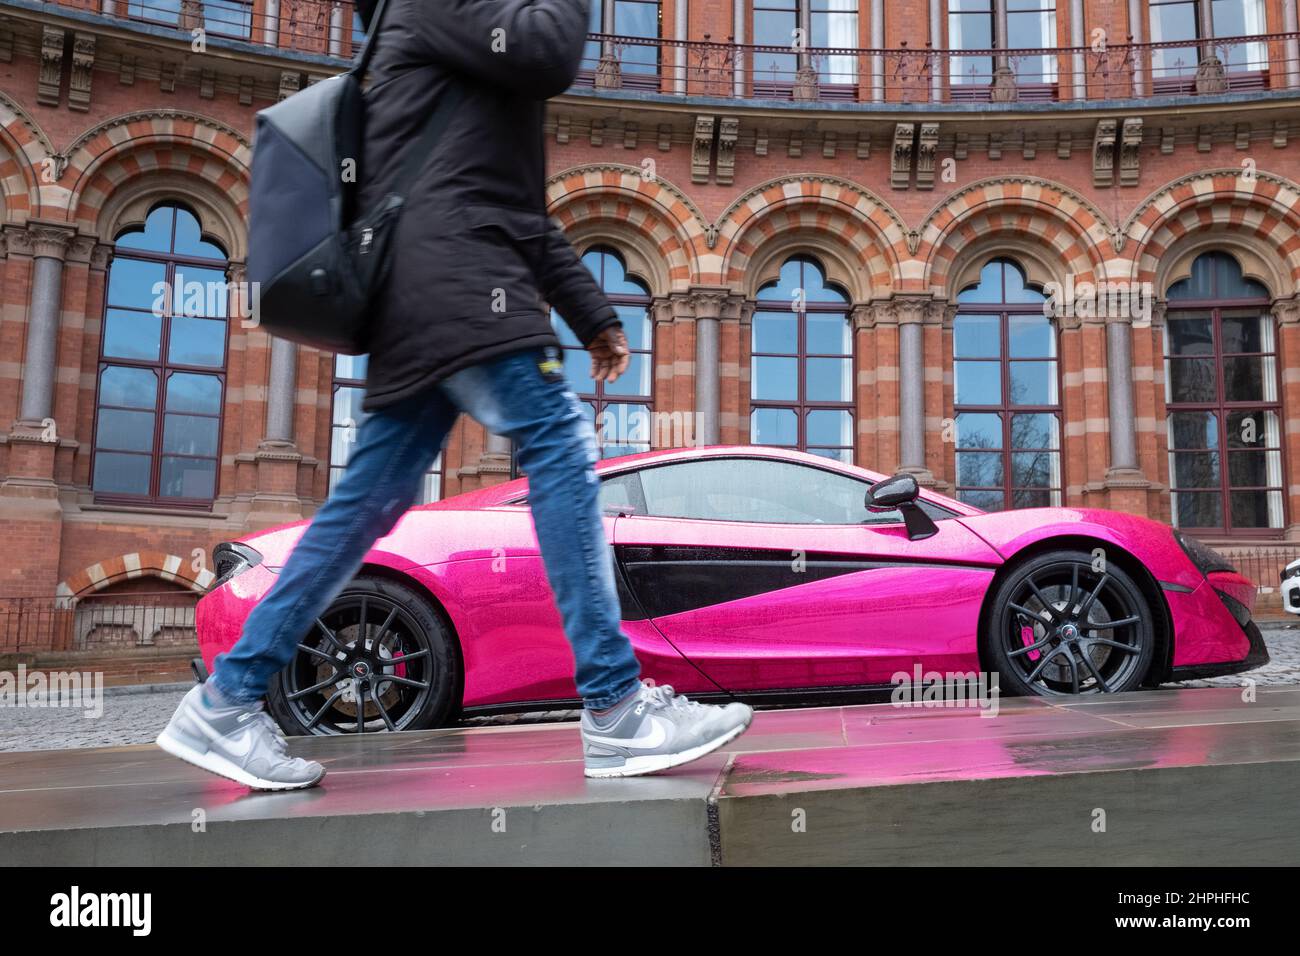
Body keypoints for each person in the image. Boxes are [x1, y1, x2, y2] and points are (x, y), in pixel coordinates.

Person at [155, 0, 753, 790]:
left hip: (432, 293)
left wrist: (593, 316)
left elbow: (518, 211)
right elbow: (551, 48)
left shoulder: (461, 40)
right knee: (562, 451)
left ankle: (225, 702)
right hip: (460, 284)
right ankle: (615, 708)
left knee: (360, 510)